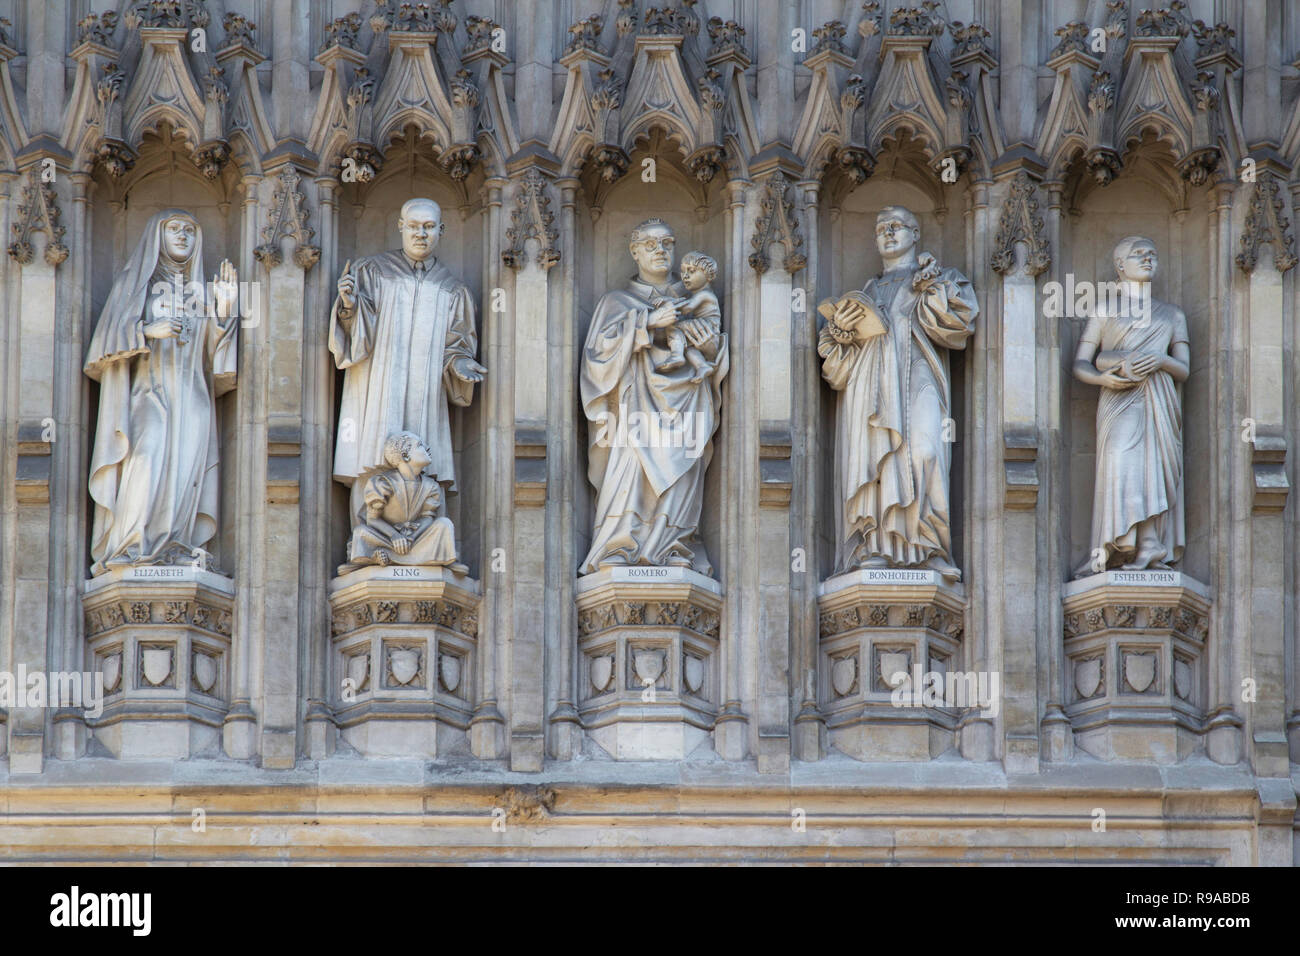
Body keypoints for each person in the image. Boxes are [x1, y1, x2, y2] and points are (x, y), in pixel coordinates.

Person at [819, 205, 978, 581]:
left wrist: (932, 287)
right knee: (876, 462)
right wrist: (841, 332)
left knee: (925, 452)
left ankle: (929, 547)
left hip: (919, 380)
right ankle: (875, 546)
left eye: (896, 226)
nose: (888, 233)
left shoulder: (936, 277)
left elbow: (959, 324)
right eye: (881, 228)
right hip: (871, 392)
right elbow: (836, 367)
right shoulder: (868, 291)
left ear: (915, 233)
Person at [84, 209, 238, 575]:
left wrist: (227, 309)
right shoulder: (135, 285)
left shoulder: (203, 293)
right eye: (174, 229)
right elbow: (103, 347)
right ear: (158, 236)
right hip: (149, 393)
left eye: (189, 230)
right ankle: (132, 545)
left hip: (193, 396)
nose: (183, 236)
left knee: (186, 471)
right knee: (147, 459)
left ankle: (176, 545)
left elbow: (218, 365)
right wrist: (149, 331)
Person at [580, 219, 728, 574]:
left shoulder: (691, 299)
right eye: (650, 244)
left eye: (667, 243)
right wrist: (647, 322)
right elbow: (597, 357)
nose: (660, 250)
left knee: (682, 471)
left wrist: (708, 346)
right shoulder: (616, 302)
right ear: (634, 252)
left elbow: (713, 348)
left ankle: (671, 545)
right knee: (631, 469)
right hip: (634, 409)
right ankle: (620, 545)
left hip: (687, 403)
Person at [330, 197, 486, 523]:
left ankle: (423, 534)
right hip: (376, 388)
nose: (421, 234)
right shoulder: (371, 272)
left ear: (441, 230)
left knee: (424, 457)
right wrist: (348, 307)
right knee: (372, 454)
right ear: (400, 227)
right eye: (414, 226)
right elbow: (353, 338)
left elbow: (457, 344)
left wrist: (459, 364)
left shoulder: (453, 290)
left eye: (429, 227)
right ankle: (367, 535)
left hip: (425, 393)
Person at [1072, 236, 1187, 574]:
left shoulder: (1173, 314)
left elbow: (1184, 369)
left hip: (1160, 400)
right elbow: (1081, 363)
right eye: (1138, 254)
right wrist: (1103, 378)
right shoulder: (1106, 308)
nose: (1147, 258)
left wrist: (1159, 360)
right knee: (1121, 461)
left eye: (1152, 253)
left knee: (1153, 465)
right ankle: (1112, 544)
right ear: (1120, 265)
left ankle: (1150, 544)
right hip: (1119, 398)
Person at [338, 431, 460, 574]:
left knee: (444, 524)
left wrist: (411, 537)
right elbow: (372, 519)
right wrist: (394, 536)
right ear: (406, 455)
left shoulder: (431, 486)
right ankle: (385, 555)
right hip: (388, 538)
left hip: (415, 538)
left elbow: (428, 517)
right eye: (420, 445)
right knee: (361, 533)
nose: (427, 448)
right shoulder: (383, 482)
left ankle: (381, 556)